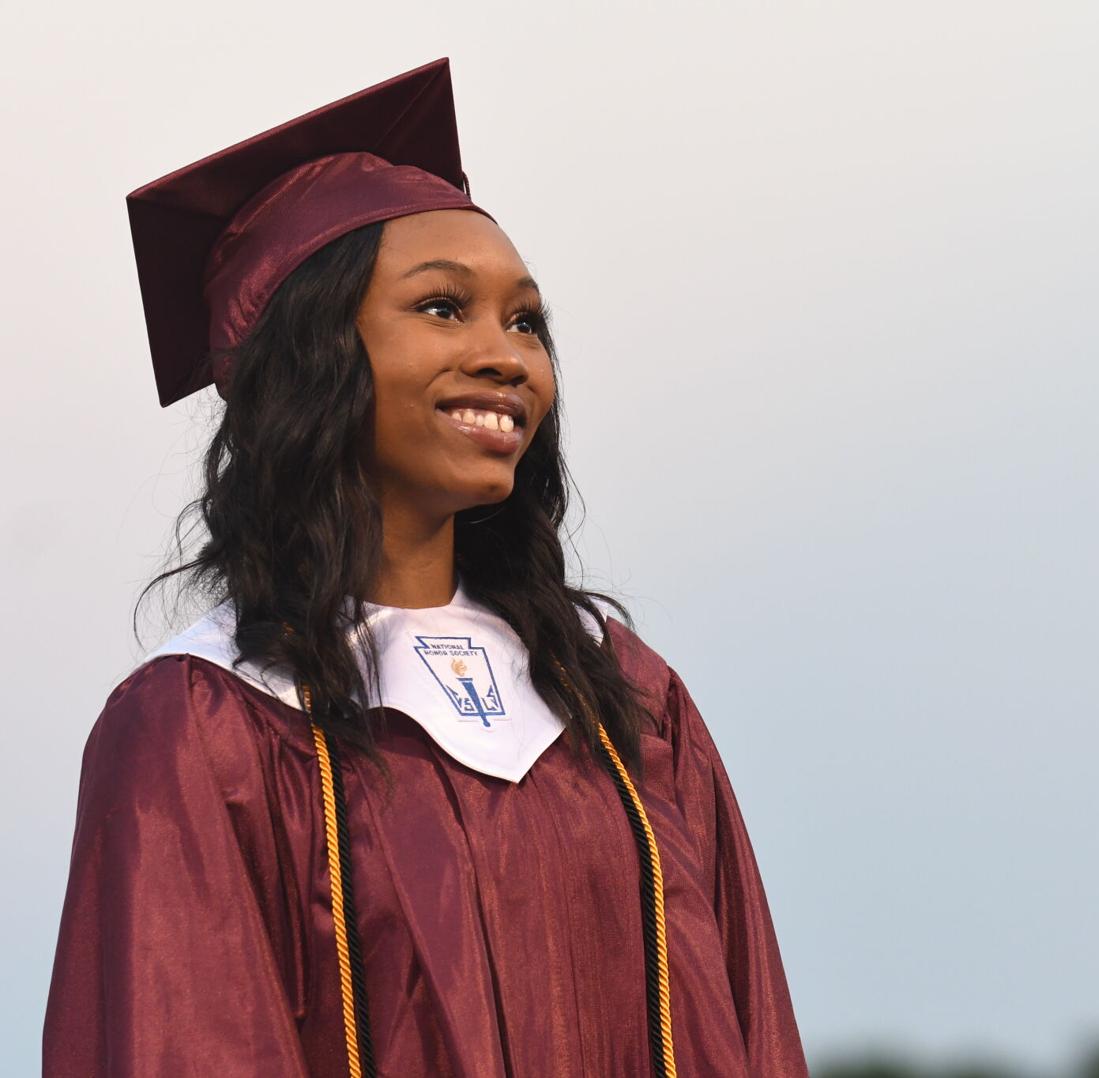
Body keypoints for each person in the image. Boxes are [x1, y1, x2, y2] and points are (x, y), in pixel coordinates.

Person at [43, 57, 809, 1078]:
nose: (508, 355)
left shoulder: (627, 702)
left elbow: (751, 1035)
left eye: (526, 320)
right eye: (444, 308)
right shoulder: (208, 724)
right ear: (314, 363)